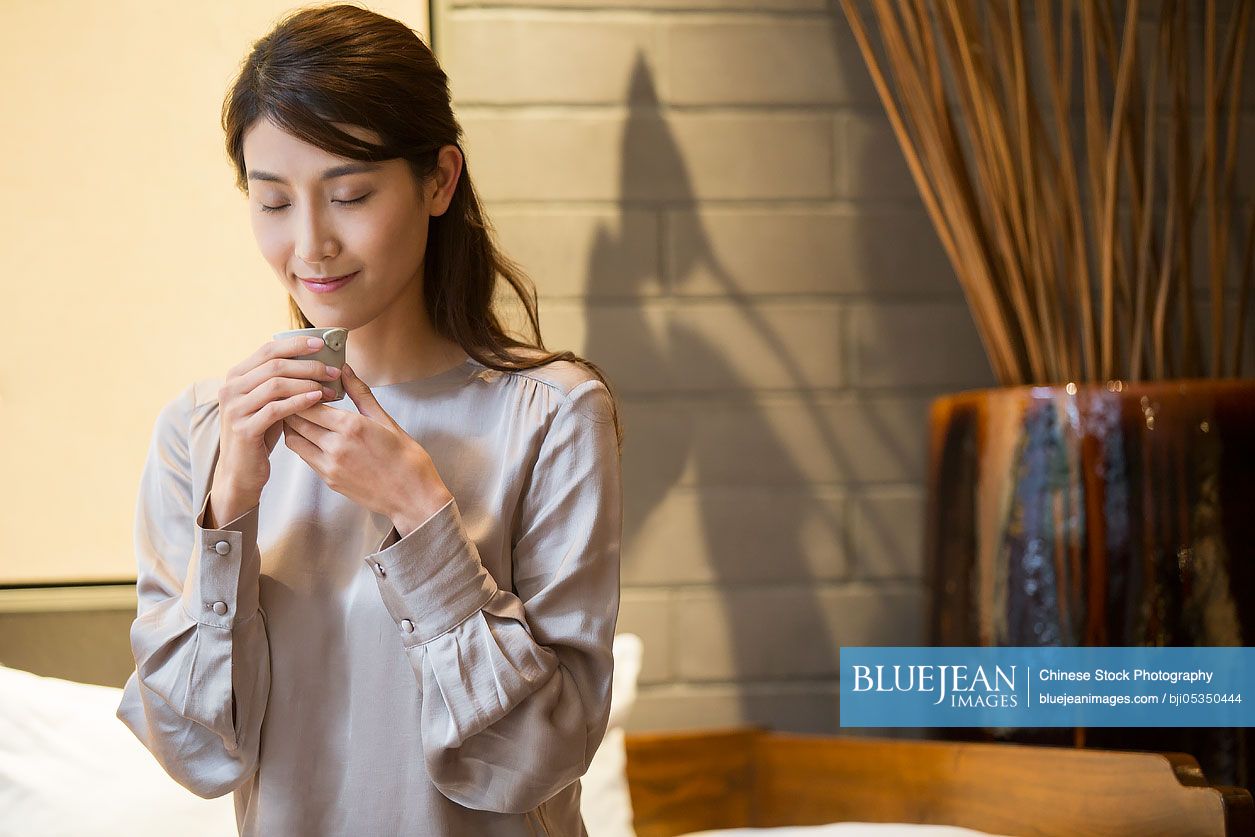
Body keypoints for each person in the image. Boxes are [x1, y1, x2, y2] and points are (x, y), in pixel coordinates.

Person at [114, 5, 624, 835]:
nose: (310, 243)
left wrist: (422, 515)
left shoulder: (553, 414)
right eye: (273, 201)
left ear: (438, 180)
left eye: (349, 194)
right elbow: (193, 753)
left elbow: (541, 753)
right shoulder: (201, 434)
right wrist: (229, 510)